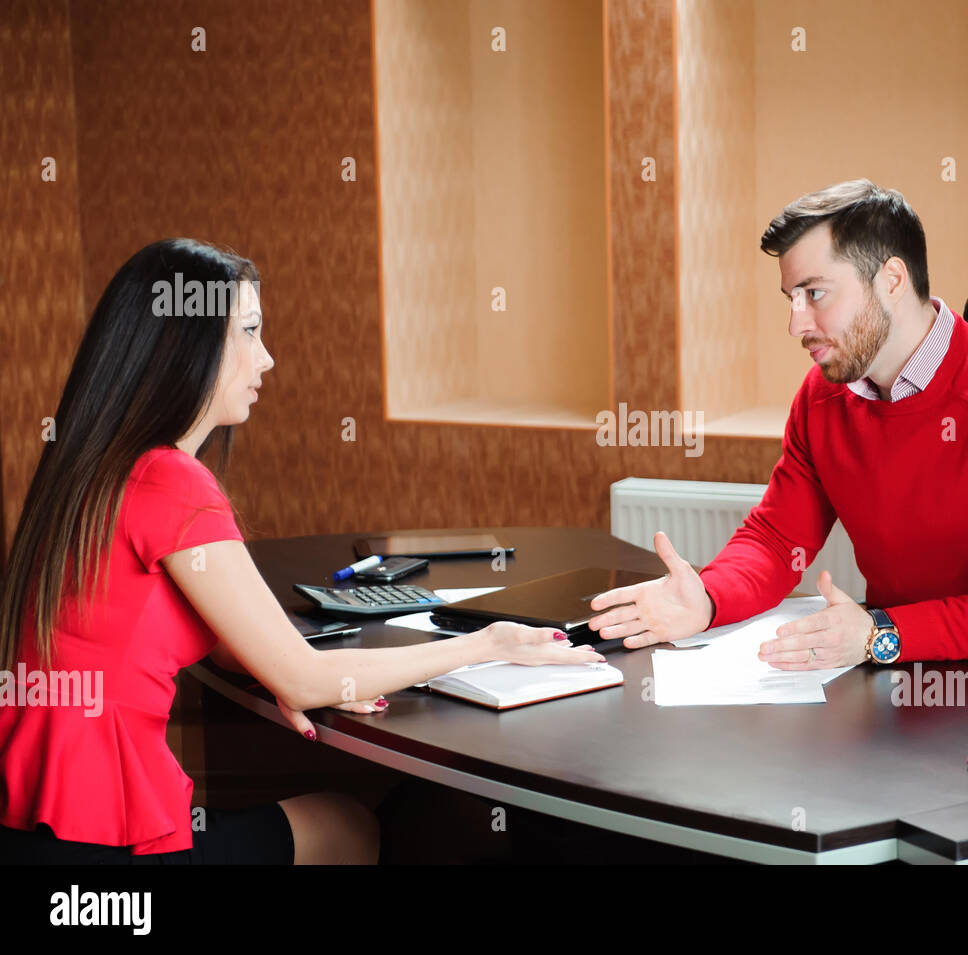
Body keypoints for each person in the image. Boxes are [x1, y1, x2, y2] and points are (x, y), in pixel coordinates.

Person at [0, 238, 599, 864]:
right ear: (189, 345)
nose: (268, 358)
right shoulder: (169, 481)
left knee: (347, 815)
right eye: (251, 333)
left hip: (39, 819)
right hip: (109, 840)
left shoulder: (91, 471)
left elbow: (199, 637)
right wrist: (488, 645)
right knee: (349, 826)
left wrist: (283, 669)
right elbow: (304, 676)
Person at [589, 179, 968, 666]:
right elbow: (775, 539)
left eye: (815, 293)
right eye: (791, 298)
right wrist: (706, 598)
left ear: (892, 280)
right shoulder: (822, 397)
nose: (796, 324)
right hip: (898, 679)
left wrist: (882, 635)